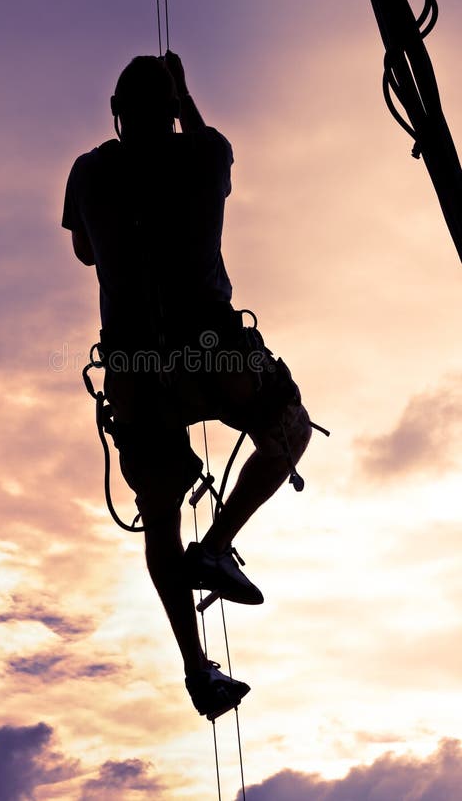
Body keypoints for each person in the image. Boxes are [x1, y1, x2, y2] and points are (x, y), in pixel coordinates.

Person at [62, 52, 311, 720]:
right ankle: (219, 544)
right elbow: (215, 160)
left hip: (137, 373)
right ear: (173, 112)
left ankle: (196, 669)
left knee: (161, 517)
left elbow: (86, 251)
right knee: (289, 427)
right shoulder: (204, 154)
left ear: (117, 113)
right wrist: (187, 92)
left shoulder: (89, 172)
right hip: (211, 355)